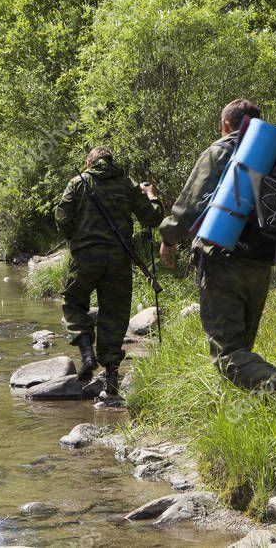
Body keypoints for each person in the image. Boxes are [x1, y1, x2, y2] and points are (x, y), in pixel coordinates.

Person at [159, 99, 276, 393]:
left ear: (225, 125)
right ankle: (257, 400)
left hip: (221, 259)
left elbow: (188, 206)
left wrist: (168, 240)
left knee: (227, 353)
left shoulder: (220, 151)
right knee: (242, 344)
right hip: (261, 259)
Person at [54, 147, 164, 401]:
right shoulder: (127, 184)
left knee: (73, 302)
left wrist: (76, 238)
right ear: (111, 162)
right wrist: (152, 195)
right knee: (114, 314)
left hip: (85, 259)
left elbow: (62, 219)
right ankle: (111, 380)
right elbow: (152, 218)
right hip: (119, 260)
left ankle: (86, 354)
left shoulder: (78, 183)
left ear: (90, 162)